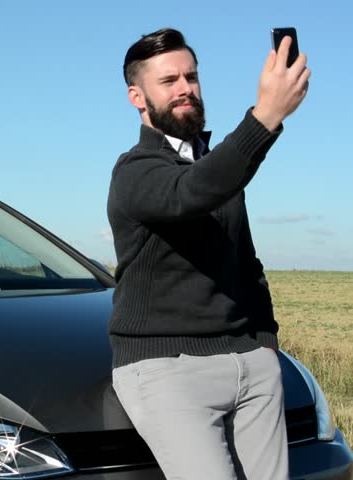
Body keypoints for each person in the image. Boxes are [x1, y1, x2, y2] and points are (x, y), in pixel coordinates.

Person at [107, 28, 310, 479]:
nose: (185, 89)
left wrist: (264, 347)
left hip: (250, 367)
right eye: (169, 81)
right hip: (168, 372)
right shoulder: (135, 172)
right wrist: (266, 116)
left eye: (191, 77)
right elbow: (191, 193)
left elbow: (245, 262)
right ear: (137, 98)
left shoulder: (214, 167)